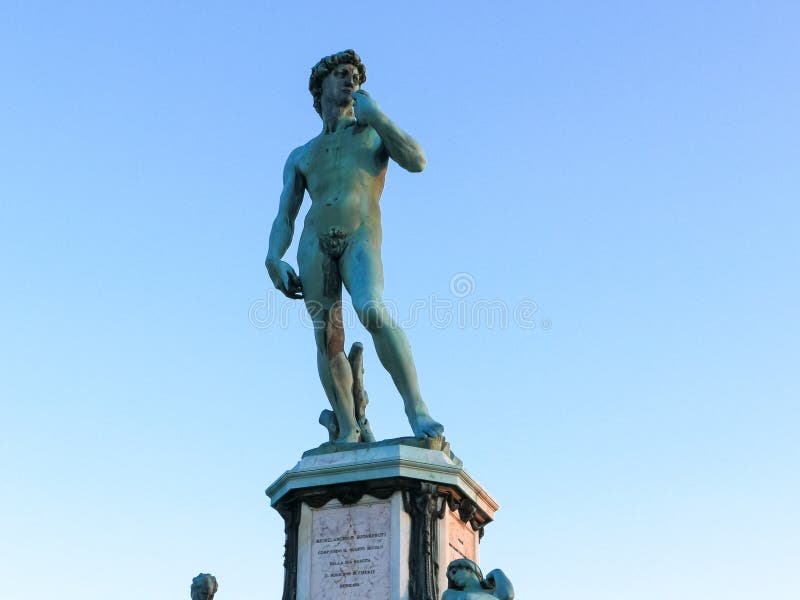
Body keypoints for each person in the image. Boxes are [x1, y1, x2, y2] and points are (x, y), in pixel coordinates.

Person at [265, 50, 443, 443]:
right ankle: (348, 428)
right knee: (328, 337)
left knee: (371, 308)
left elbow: (417, 161)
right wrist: (272, 256)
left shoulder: (372, 132)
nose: (351, 82)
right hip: (313, 243)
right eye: (342, 75)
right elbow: (285, 215)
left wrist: (377, 115)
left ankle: (418, 412)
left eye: (356, 77)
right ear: (321, 85)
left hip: (360, 232)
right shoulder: (301, 155)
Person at [443, 559, 514, 600]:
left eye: (454, 572)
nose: (452, 578)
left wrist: (497, 572)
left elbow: (507, 595)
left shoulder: (492, 592)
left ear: (468, 569)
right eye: (450, 577)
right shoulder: (451, 593)